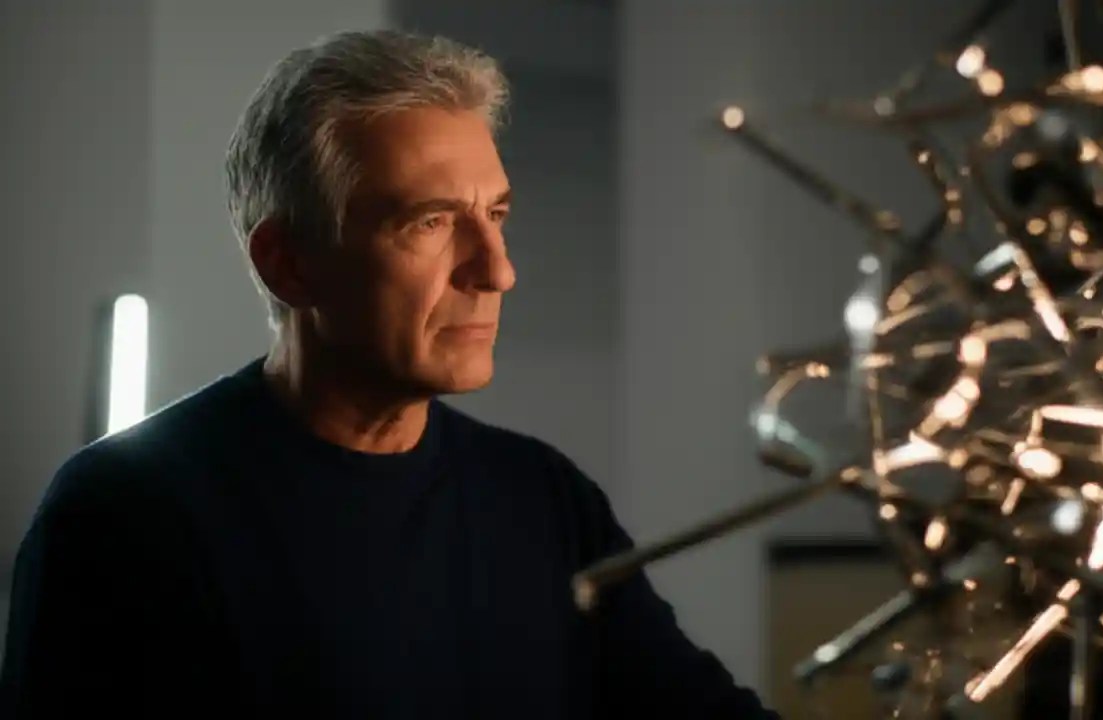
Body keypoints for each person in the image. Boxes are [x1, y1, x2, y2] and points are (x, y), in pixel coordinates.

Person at [0, 30, 777, 719]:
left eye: (496, 216)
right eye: (430, 222)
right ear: (288, 263)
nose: (498, 271)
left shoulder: (544, 500)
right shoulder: (124, 515)